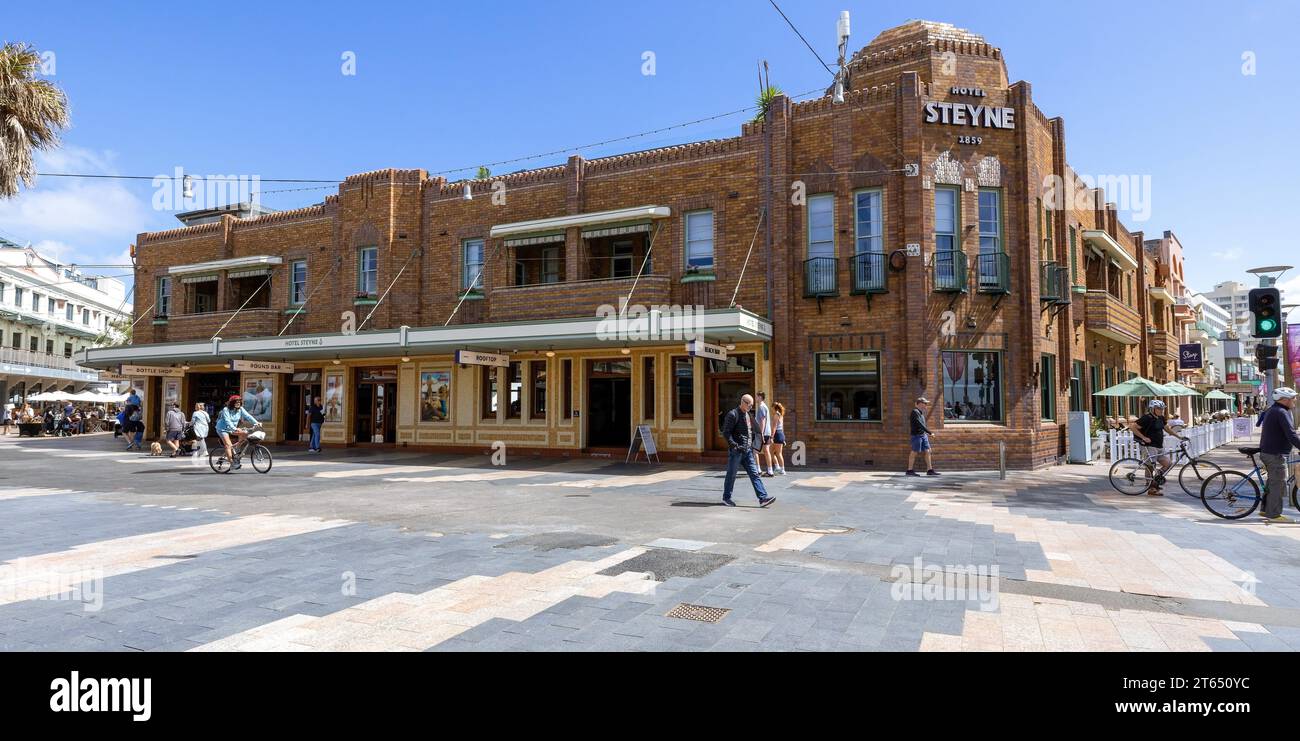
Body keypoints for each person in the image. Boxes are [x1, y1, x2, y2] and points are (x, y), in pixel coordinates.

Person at [719, 393, 776, 508]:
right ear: (743, 402)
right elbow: (726, 432)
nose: (751, 407)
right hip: (736, 451)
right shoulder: (733, 414)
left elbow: (751, 431)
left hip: (747, 451)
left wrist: (755, 443)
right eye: (749, 405)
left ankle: (763, 498)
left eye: (752, 406)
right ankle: (726, 498)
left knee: (754, 474)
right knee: (731, 475)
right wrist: (734, 445)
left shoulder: (748, 415)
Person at [1258, 387, 1300, 524]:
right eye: (1293, 398)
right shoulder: (1281, 412)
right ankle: (1274, 515)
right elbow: (1291, 434)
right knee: (1278, 484)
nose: (1295, 400)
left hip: (1270, 452)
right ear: (1284, 400)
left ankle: (1265, 509)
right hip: (1275, 454)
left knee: (1272, 482)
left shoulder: (1275, 410)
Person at [1131, 400, 1170, 497]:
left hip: (1159, 446)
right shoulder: (1147, 418)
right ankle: (1151, 488)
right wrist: (1143, 437)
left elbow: (1167, 428)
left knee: (1168, 464)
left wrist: (1179, 437)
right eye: (1159, 409)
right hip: (1149, 446)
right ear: (1152, 409)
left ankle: (1154, 482)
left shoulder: (1161, 418)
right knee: (1150, 466)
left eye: (1162, 409)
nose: (1161, 410)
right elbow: (1132, 427)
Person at [216, 394, 259, 469]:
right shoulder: (226, 409)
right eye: (236, 402)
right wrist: (234, 428)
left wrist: (256, 422)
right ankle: (232, 464)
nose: (238, 403)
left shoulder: (240, 409)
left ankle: (237, 449)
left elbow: (248, 416)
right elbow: (227, 420)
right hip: (222, 429)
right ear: (232, 403)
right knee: (228, 445)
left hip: (232, 428)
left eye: (239, 402)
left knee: (245, 433)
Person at [907, 397, 939, 477]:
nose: (926, 405)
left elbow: (922, 425)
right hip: (917, 436)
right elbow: (919, 424)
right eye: (925, 403)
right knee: (914, 452)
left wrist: (926, 433)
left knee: (928, 451)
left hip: (923, 435)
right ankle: (909, 470)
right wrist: (930, 432)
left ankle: (929, 470)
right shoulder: (915, 412)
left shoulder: (920, 413)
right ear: (920, 403)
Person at [755, 391, 774, 477]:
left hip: (762, 432)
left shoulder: (761, 407)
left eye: (756, 396)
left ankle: (758, 470)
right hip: (767, 432)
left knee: (755, 450)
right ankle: (770, 471)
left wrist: (761, 433)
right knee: (766, 451)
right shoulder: (764, 406)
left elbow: (763, 420)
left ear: (760, 397)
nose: (755, 398)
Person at [770, 401, 787, 475]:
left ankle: (782, 469)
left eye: (772, 408)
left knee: (778, 453)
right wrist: (783, 439)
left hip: (777, 434)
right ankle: (777, 467)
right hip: (780, 434)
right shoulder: (781, 415)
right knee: (771, 451)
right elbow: (782, 427)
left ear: (774, 408)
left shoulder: (776, 415)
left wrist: (771, 437)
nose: (771, 410)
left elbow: (774, 427)